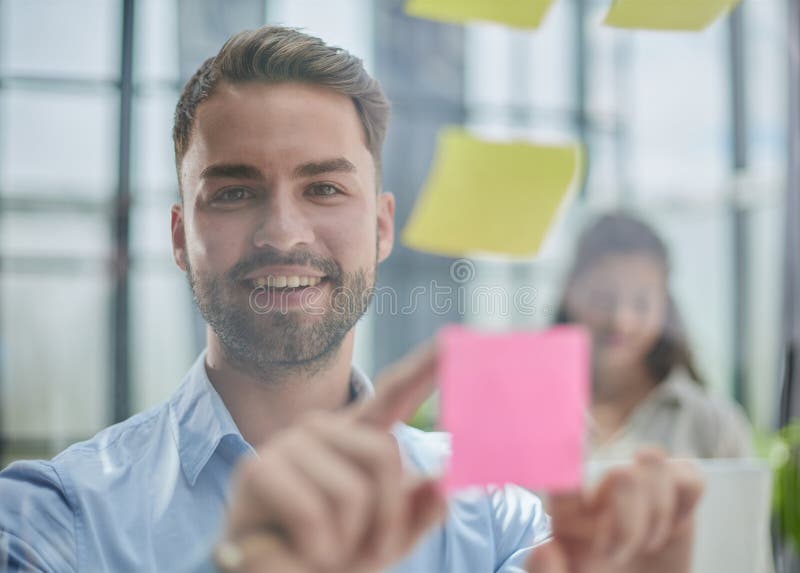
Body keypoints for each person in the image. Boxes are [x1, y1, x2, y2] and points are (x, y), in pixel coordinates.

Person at [0, 27, 704, 573]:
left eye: (325, 188)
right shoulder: (54, 518)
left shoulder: (497, 517)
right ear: (181, 235)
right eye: (235, 191)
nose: (283, 231)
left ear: (381, 226)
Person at [556, 212, 753, 461]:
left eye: (641, 303)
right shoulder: (529, 411)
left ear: (665, 307)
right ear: (570, 296)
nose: (621, 321)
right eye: (603, 299)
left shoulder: (711, 423)